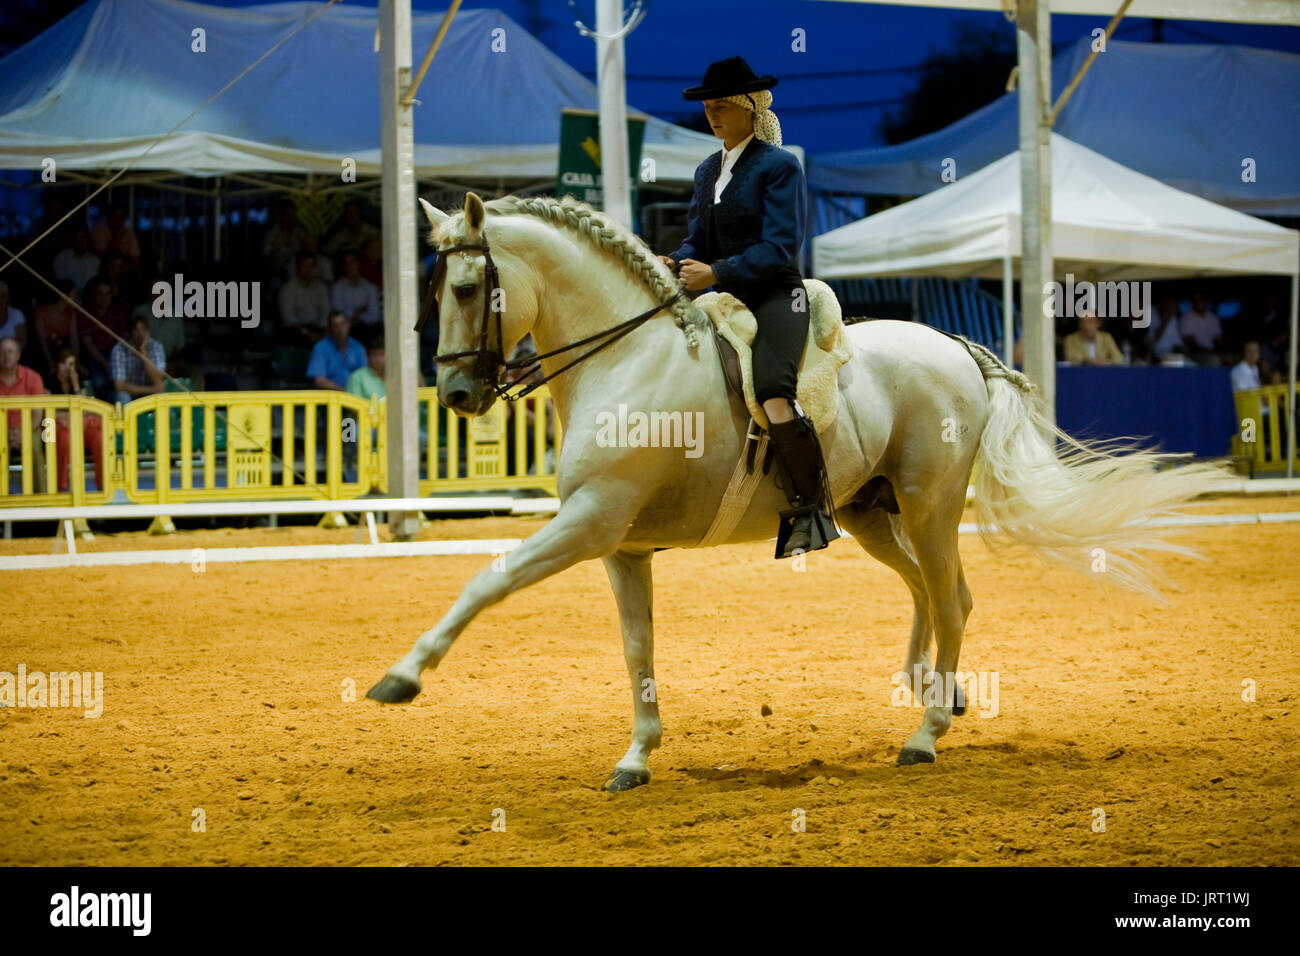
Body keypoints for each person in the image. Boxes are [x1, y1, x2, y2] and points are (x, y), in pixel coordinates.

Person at [660, 56, 832, 558]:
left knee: (774, 391)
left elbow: (780, 247)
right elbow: (699, 240)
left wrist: (716, 272)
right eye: (708, 108)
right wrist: (675, 260)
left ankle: (810, 508)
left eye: (720, 107)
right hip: (724, 294)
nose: (711, 116)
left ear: (749, 108)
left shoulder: (780, 166)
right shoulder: (707, 169)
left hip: (777, 293)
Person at [50, 349, 105, 493]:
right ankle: (61, 487)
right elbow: (48, 413)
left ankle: (103, 486)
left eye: (72, 365)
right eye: (64, 364)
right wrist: (71, 416)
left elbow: (84, 409)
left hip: (77, 427)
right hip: (50, 430)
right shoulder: (48, 381)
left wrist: (75, 386)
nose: (68, 369)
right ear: (57, 365)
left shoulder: (79, 384)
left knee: (100, 438)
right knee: (64, 438)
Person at [0, 336, 51, 491]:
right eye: (2, 352)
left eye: (10, 351)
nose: (6, 356)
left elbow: (37, 414)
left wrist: (22, 433)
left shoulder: (33, 377)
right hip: (1, 430)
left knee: (34, 447)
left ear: (18, 355)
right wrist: (7, 433)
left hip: (29, 428)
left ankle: (41, 500)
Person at [277, 251, 331, 344]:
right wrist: (307, 332)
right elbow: (288, 317)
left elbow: (325, 311)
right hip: (297, 329)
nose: (308, 270)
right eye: (304, 266)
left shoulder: (321, 287)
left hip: (318, 328)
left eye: (311, 266)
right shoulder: (288, 288)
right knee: (290, 334)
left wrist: (323, 332)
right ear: (297, 268)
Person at [110, 315, 166, 405]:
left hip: (148, 395)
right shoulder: (120, 349)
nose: (140, 334)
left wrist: (143, 353)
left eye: (143, 329)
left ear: (148, 331)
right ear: (130, 333)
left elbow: (158, 379)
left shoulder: (156, 347)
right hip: (129, 394)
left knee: (162, 398)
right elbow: (119, 386)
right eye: (136, 330)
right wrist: (151, 390)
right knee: (123, 397)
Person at [307, 310, 366, 390]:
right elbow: (319, 380)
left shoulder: (358, 347)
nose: (340, 328)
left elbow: (365, 376)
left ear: (348, 325)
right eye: (335, 325)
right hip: (329, 397)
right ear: (330, 328)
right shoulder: (320, 348)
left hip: (355, 396)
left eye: (343, 324)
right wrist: (344, 392)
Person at [33, 280, 80, 377]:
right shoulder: (41, 312)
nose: (75, 298)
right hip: (43, 353)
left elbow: (74, 340)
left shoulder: (71, 312)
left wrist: (77, 363)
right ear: (63, 296)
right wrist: (51, 364)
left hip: (63, 352)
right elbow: (42, 342)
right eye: (73, 295)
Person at [332, 249, 380, 328]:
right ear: (344, 266)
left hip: (367, 329)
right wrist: (361, 310)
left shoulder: (370, 287)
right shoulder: (337, 288)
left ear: (358, 264)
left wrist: (353, 315)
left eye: (352, 262)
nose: (350, 266)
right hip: (344, 330)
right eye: (346, 263)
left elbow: (374, 316)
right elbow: (338, 314)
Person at [51, 227, 100, 297]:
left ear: (87, 239)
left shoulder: (95, 260)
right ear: (72, 239)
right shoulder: (60, 259)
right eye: (77, 237)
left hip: (91, 301)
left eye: (83, 237)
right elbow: (62, 286)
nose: (80, 241)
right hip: (69, 301)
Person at [89, 204, 140, 271]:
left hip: (124, 271)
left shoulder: (128, 232)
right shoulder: (99, 230)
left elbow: (136, 259)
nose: (118, 221)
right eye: (115, 217)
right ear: (109, 218)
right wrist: (116, 236)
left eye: (121, 218)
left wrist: (123, 269)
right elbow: (104, 258)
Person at [1180, 293, 1222, 365]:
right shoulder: (1186, 318)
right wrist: (1210, 352)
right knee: (1214, 360)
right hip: (1194, 354)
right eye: (1196, 300)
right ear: (1192, 302)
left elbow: (1218, 339)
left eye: (1201, 299)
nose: (1199, 302)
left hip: (1212, 352)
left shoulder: (1212, 317)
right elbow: (1191, 344)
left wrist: (1222, 352)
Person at [0, 280, 27, 354]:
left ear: (7, 297)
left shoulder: (17, 314)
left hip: (14, 358)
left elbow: (23, 342)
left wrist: (9, 356)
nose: (0, 300)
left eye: (2, 296)